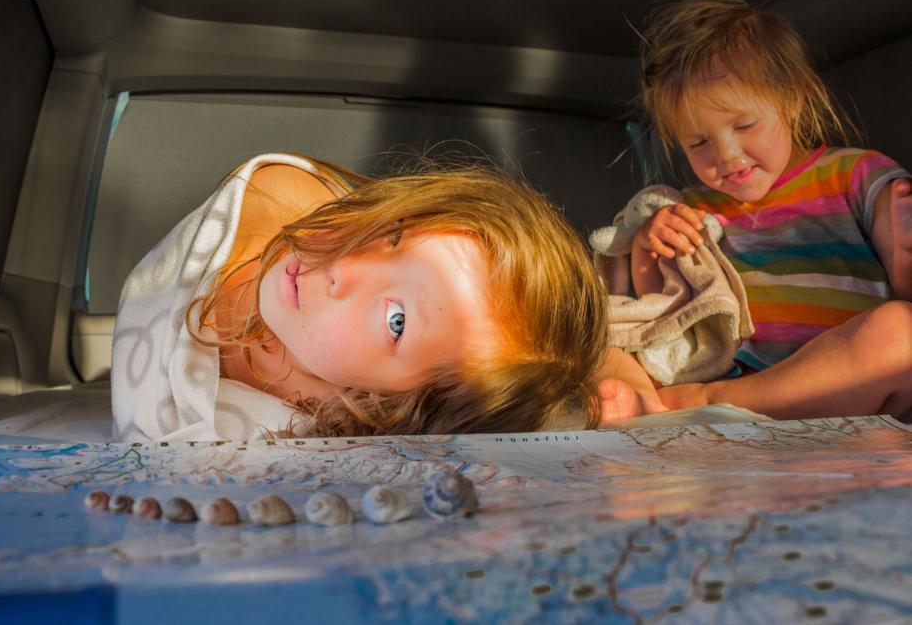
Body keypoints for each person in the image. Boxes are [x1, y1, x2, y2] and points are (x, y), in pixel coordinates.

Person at [111, 152, 610, 441]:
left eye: (396, 319)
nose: (343, 265)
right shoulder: (280, 197)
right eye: (393, 232)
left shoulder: (340, 432)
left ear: (393, 408)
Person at [599, 0, 912, 423]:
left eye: (744, 125)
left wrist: (903, 244)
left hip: (838, 383)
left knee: (901, 334)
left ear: (792, 100)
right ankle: (679, 403)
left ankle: (700, 407)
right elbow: (660, 313)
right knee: (593, 335)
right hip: (727, 372)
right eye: (699, 143)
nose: (727, 155)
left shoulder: (852, 173)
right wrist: (649, 245)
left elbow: (902, 259)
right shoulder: (691, 207)